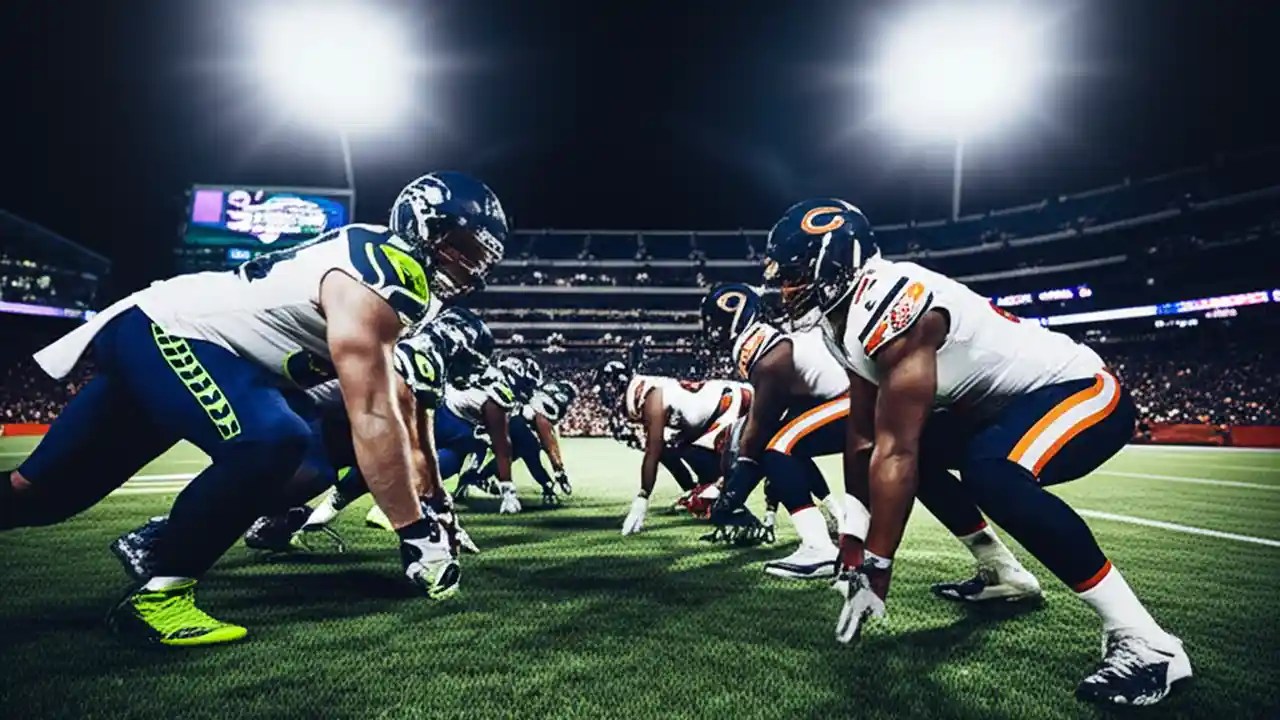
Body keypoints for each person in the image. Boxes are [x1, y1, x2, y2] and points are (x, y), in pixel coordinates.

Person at [1, 172, 506, 646]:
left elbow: (391, 406)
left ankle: (168, 540)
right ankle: (160, 599)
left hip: (187, 344)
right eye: (463, 250)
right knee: (272, 437)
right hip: (174, 331)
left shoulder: (403, 284)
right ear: (425, 225)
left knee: (41, 495)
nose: (470, 268)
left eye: (480, 259)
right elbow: (374, 414)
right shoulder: (382, 277)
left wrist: (433, 503)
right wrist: (414, 532)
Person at [762, 198, 1190, 706]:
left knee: (992, 472)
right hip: (1001, 412)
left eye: (792, 275)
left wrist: (878, 566)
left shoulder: (893, 301)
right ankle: (1003, 573)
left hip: (1081, 389)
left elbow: (894, 451)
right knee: (939, 457)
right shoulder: (842, 320)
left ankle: (1148, 642)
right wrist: (852, 540)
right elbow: (863, 438)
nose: (782, 289)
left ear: (836, 264)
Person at [702, 283, 1041, 596]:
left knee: (780, 446)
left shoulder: (765, 351)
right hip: (874, 391)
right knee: (918, 471)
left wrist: (733, 492)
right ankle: (1003, 567)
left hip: (867, 395)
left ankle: (818, 546)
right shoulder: (782, 342)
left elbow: (759, 431)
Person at [596, 362, 752, 536]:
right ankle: (700, 492)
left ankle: (738, 514)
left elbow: (652, 451)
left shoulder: (652, 397)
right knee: (672, 449)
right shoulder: (647, 391)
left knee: (708, 470)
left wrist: (643, 497)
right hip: (711, 414)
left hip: (729, 402)